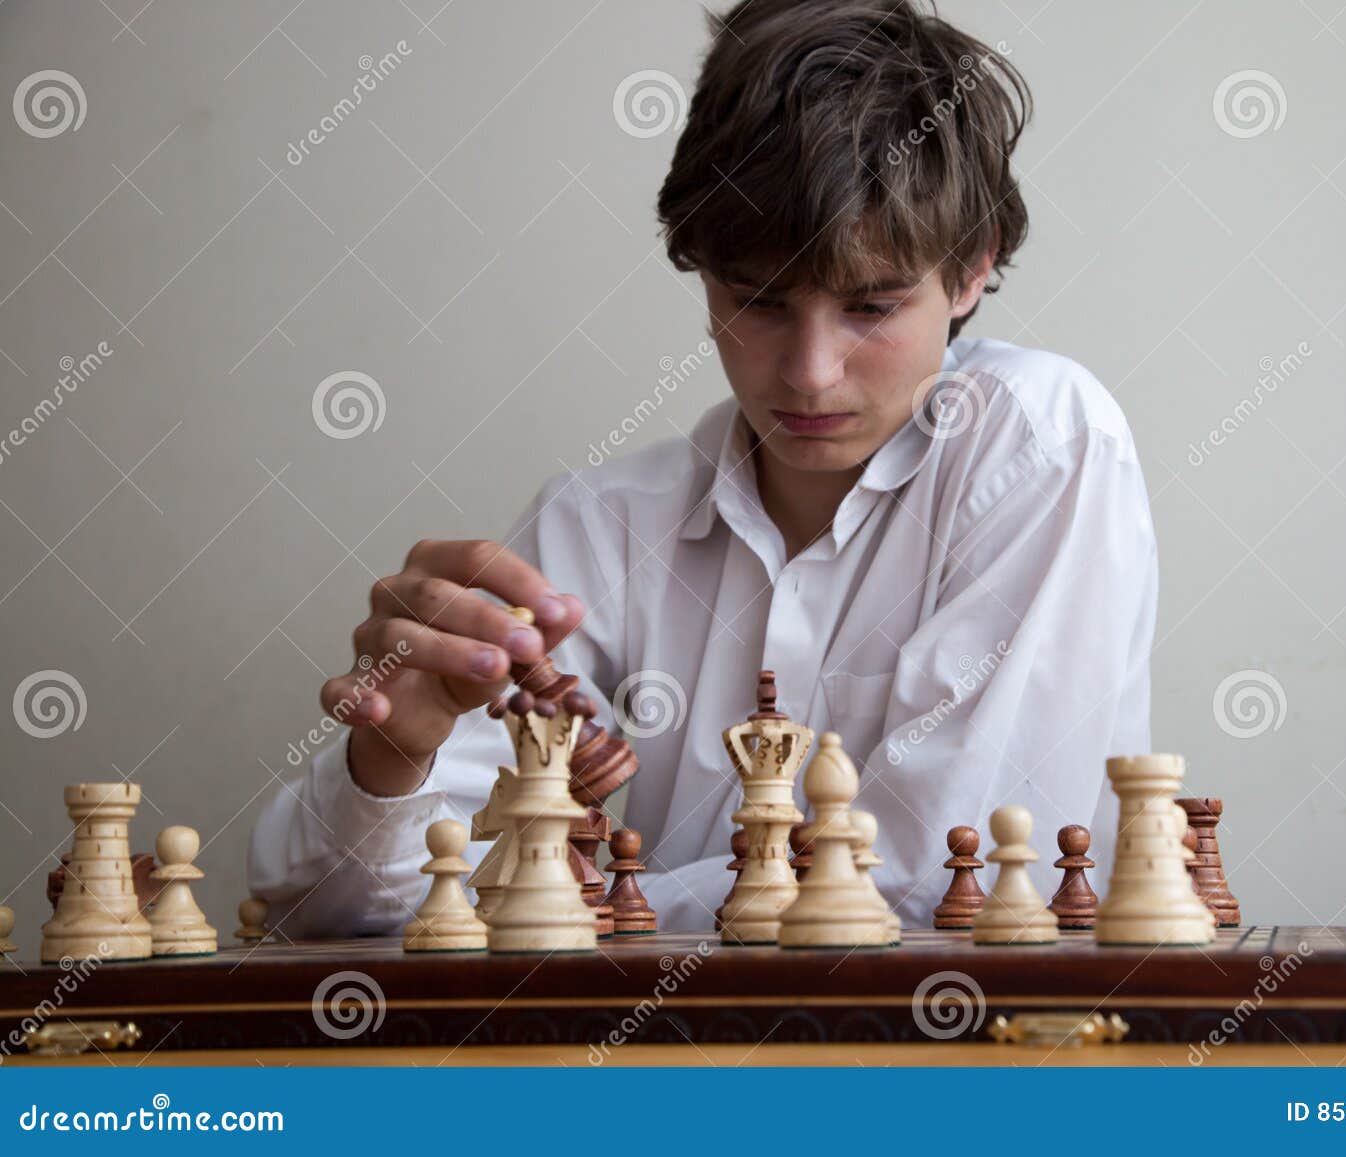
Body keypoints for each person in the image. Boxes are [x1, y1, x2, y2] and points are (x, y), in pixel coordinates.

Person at [248, 0, 1157, 937]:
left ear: (969, 272)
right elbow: (316, 920)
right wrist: (394, 760)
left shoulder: (1041, 439)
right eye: (759, 302)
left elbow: (933, 876)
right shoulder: (596, 526)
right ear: (700, 272)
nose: (809, 373)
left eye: (872, 307)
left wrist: (577, 908)